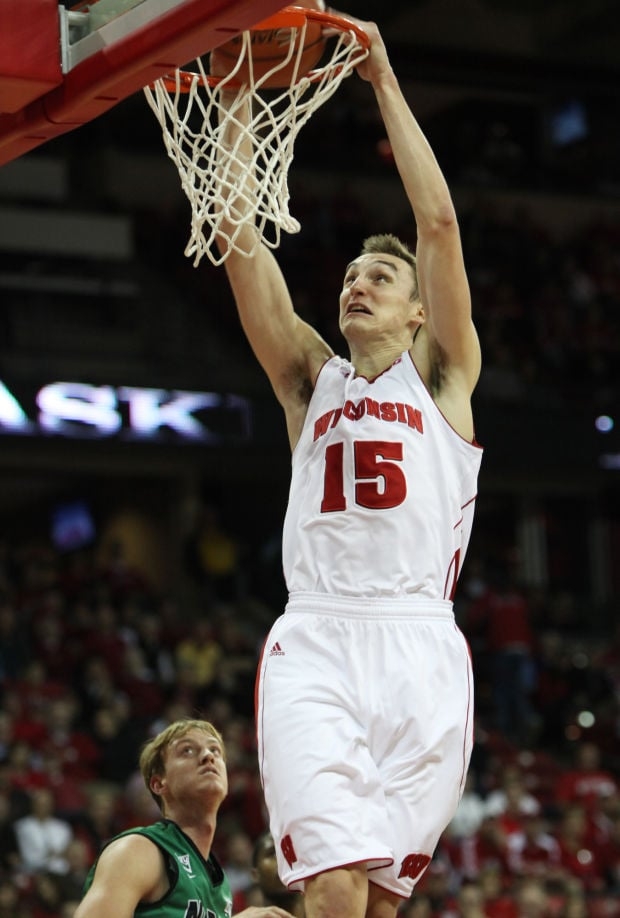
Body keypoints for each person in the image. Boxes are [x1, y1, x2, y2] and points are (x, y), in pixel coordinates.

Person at [213, 11, 483, 918]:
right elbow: (243, 243)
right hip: (321, 640)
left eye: (382, 276)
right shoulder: (306, 380)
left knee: (369, 907)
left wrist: (382, 80)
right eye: (353, 273)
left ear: (417, 314)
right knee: (330, 887)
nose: (358, 282)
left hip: (423, 649)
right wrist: (239, 99)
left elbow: (438, 224)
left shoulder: (442, 380)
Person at [73, 718, 297, 918]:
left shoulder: (220, 886)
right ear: (159, 783)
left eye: (215, 750)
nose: (208, 756)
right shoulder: (139, 849)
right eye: (187, 751)